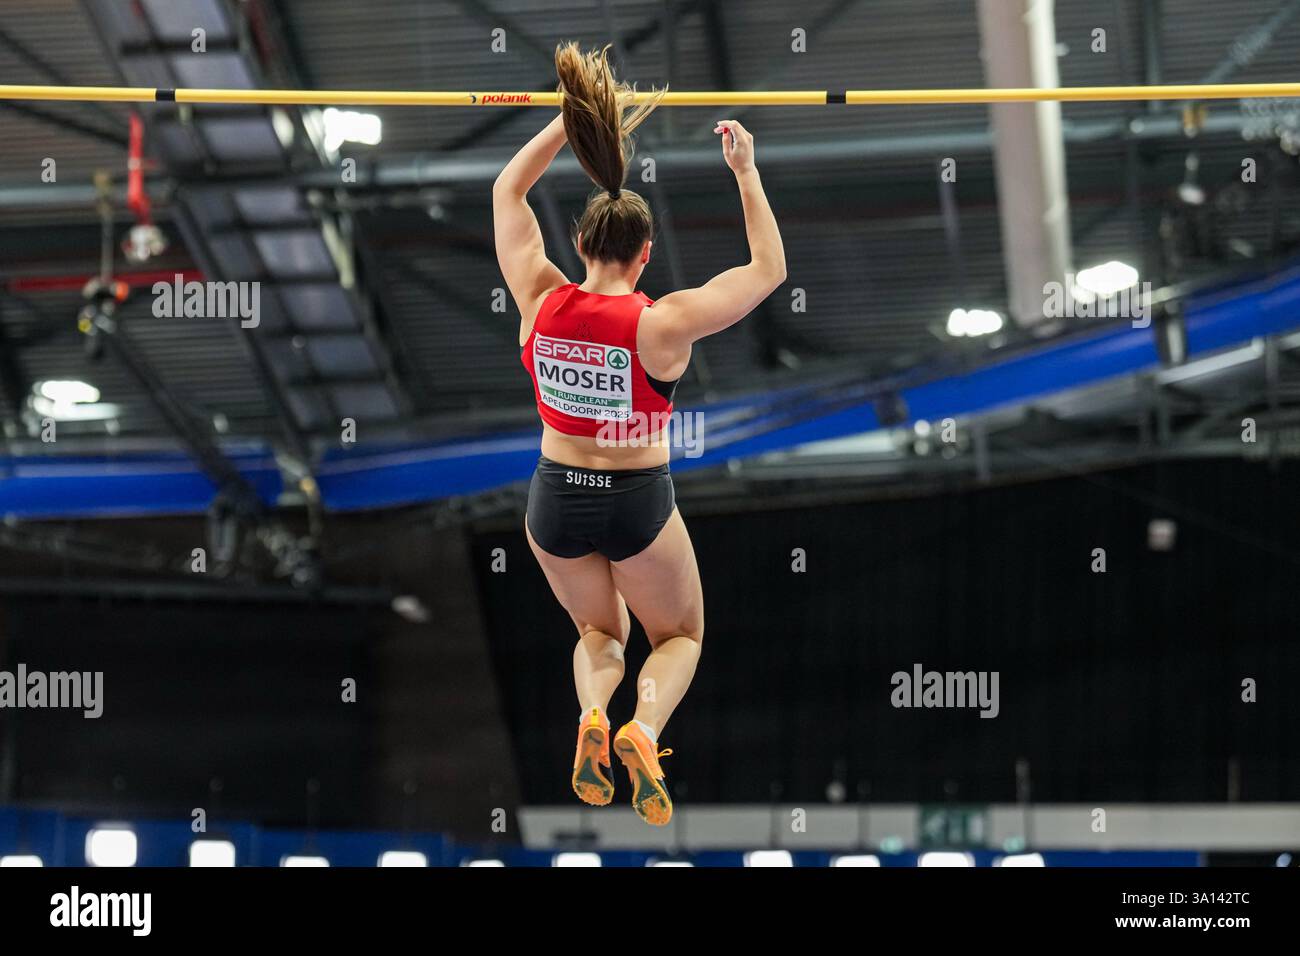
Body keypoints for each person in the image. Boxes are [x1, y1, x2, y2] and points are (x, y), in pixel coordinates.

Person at [492, 42, 785, 825]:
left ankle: (594, 715)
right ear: (645, 253)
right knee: (680, 634)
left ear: (581, 246)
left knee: (599, 631)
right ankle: (642, 729)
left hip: (554, 498)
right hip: (635, 501)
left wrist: (573, 122)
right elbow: (766, 272)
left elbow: (507, 191)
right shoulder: (663, 325)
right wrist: (745, 171)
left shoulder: (539, 301)